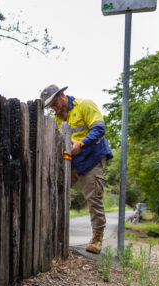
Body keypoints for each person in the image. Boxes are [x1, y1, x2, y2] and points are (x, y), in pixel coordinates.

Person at [40, 84, 113, 254]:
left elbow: (99, 129)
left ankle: (97, 237)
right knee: (57, 194)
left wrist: (81, 143)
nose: (54, 108)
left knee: (94, 199)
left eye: (54, 103)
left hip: (91, 159)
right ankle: (55, 233)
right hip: (70, 162)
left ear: (62, 95)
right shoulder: (56, 119)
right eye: (50, 106)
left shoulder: (85, 105)